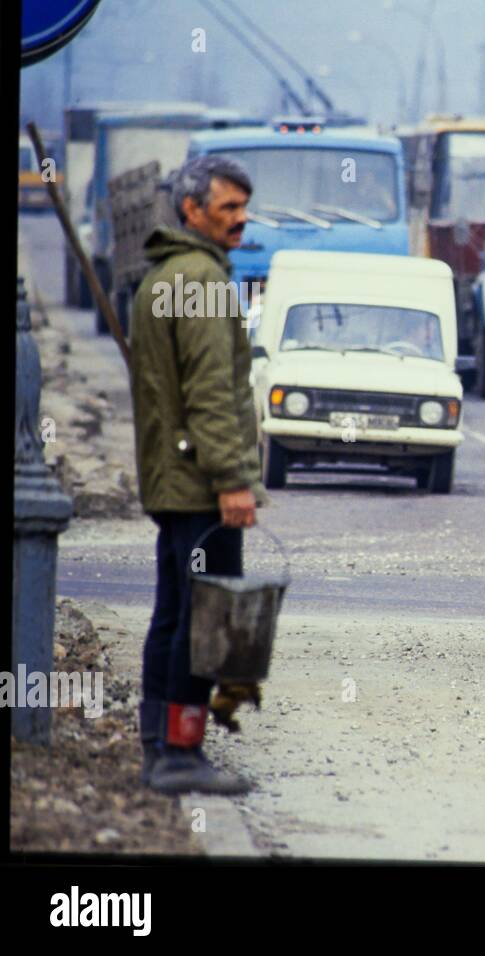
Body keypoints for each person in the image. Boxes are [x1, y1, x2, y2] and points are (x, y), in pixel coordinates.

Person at [129, 154, 266, 795]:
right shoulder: (203, 283)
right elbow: (211, 395)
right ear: (192, 210)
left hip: (172, 483)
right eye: (228, 208)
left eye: (243, 207)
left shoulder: (162, 276)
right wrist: (232, 480)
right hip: (204, 486)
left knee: (172, 613)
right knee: (203, 619)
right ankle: (182, 755)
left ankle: (157, 746)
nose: (241, 220)